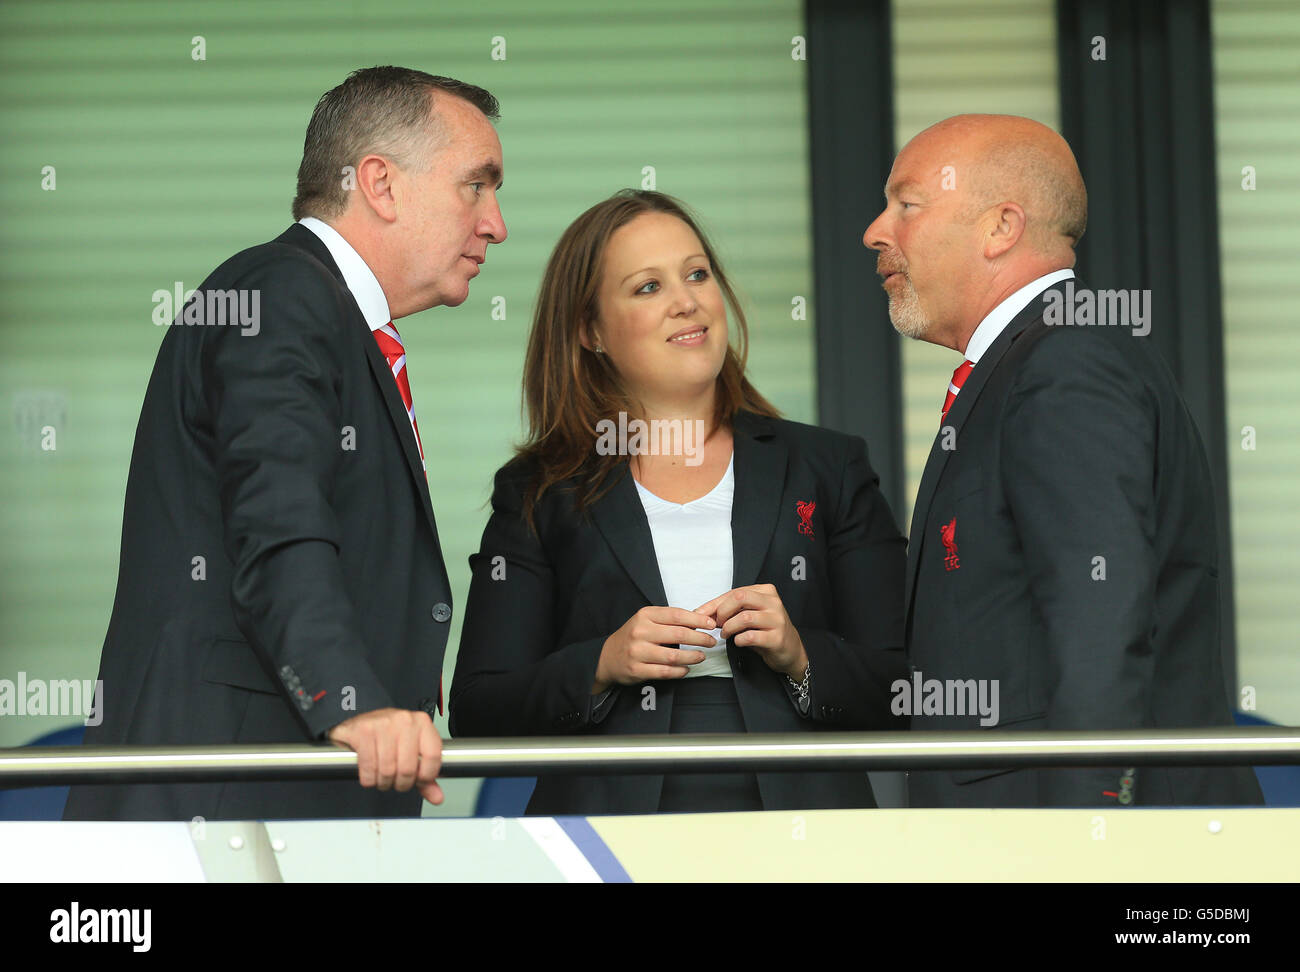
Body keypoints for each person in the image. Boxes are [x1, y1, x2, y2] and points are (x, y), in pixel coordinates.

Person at [63, 66, 507, 821]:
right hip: (233, 799)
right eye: (477, 185)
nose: (496, 222)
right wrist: (353, 704)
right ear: (381, 183)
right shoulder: (283, 293)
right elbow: (280, 514)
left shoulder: (319, 309)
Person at [450, 189, 908, 814]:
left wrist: (800, 655)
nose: (686, 301)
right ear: (590, 330)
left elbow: (904, 688)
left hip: (805, 828)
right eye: (647, 287)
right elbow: (480, 709)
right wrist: (602, 663)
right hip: (608, 834)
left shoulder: (828, 466)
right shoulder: (539, 487)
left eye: (697, 274)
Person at [863, 113, 1264, 808]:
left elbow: (1099, 615)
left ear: (1000, 227)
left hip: (1069, 842)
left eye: (907, 205)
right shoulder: (1045, 354)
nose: (877, 230)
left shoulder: (1065, 361)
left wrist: (1089, 836)